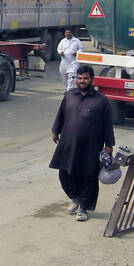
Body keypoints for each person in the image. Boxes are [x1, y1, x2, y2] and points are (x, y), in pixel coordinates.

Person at [50, 66, 115, 222]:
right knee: (64, 173)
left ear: (92, 79)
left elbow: (107, 124)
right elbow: (61, 114)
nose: (82, 81)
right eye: (79, 78)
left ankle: (84, 208)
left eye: (85, 78)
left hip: (91, 147)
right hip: (68, 144)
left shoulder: (102, 101)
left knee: (88, 178)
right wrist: (55, 130)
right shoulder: (69, 96)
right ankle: (74, 198)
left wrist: (109, 144)